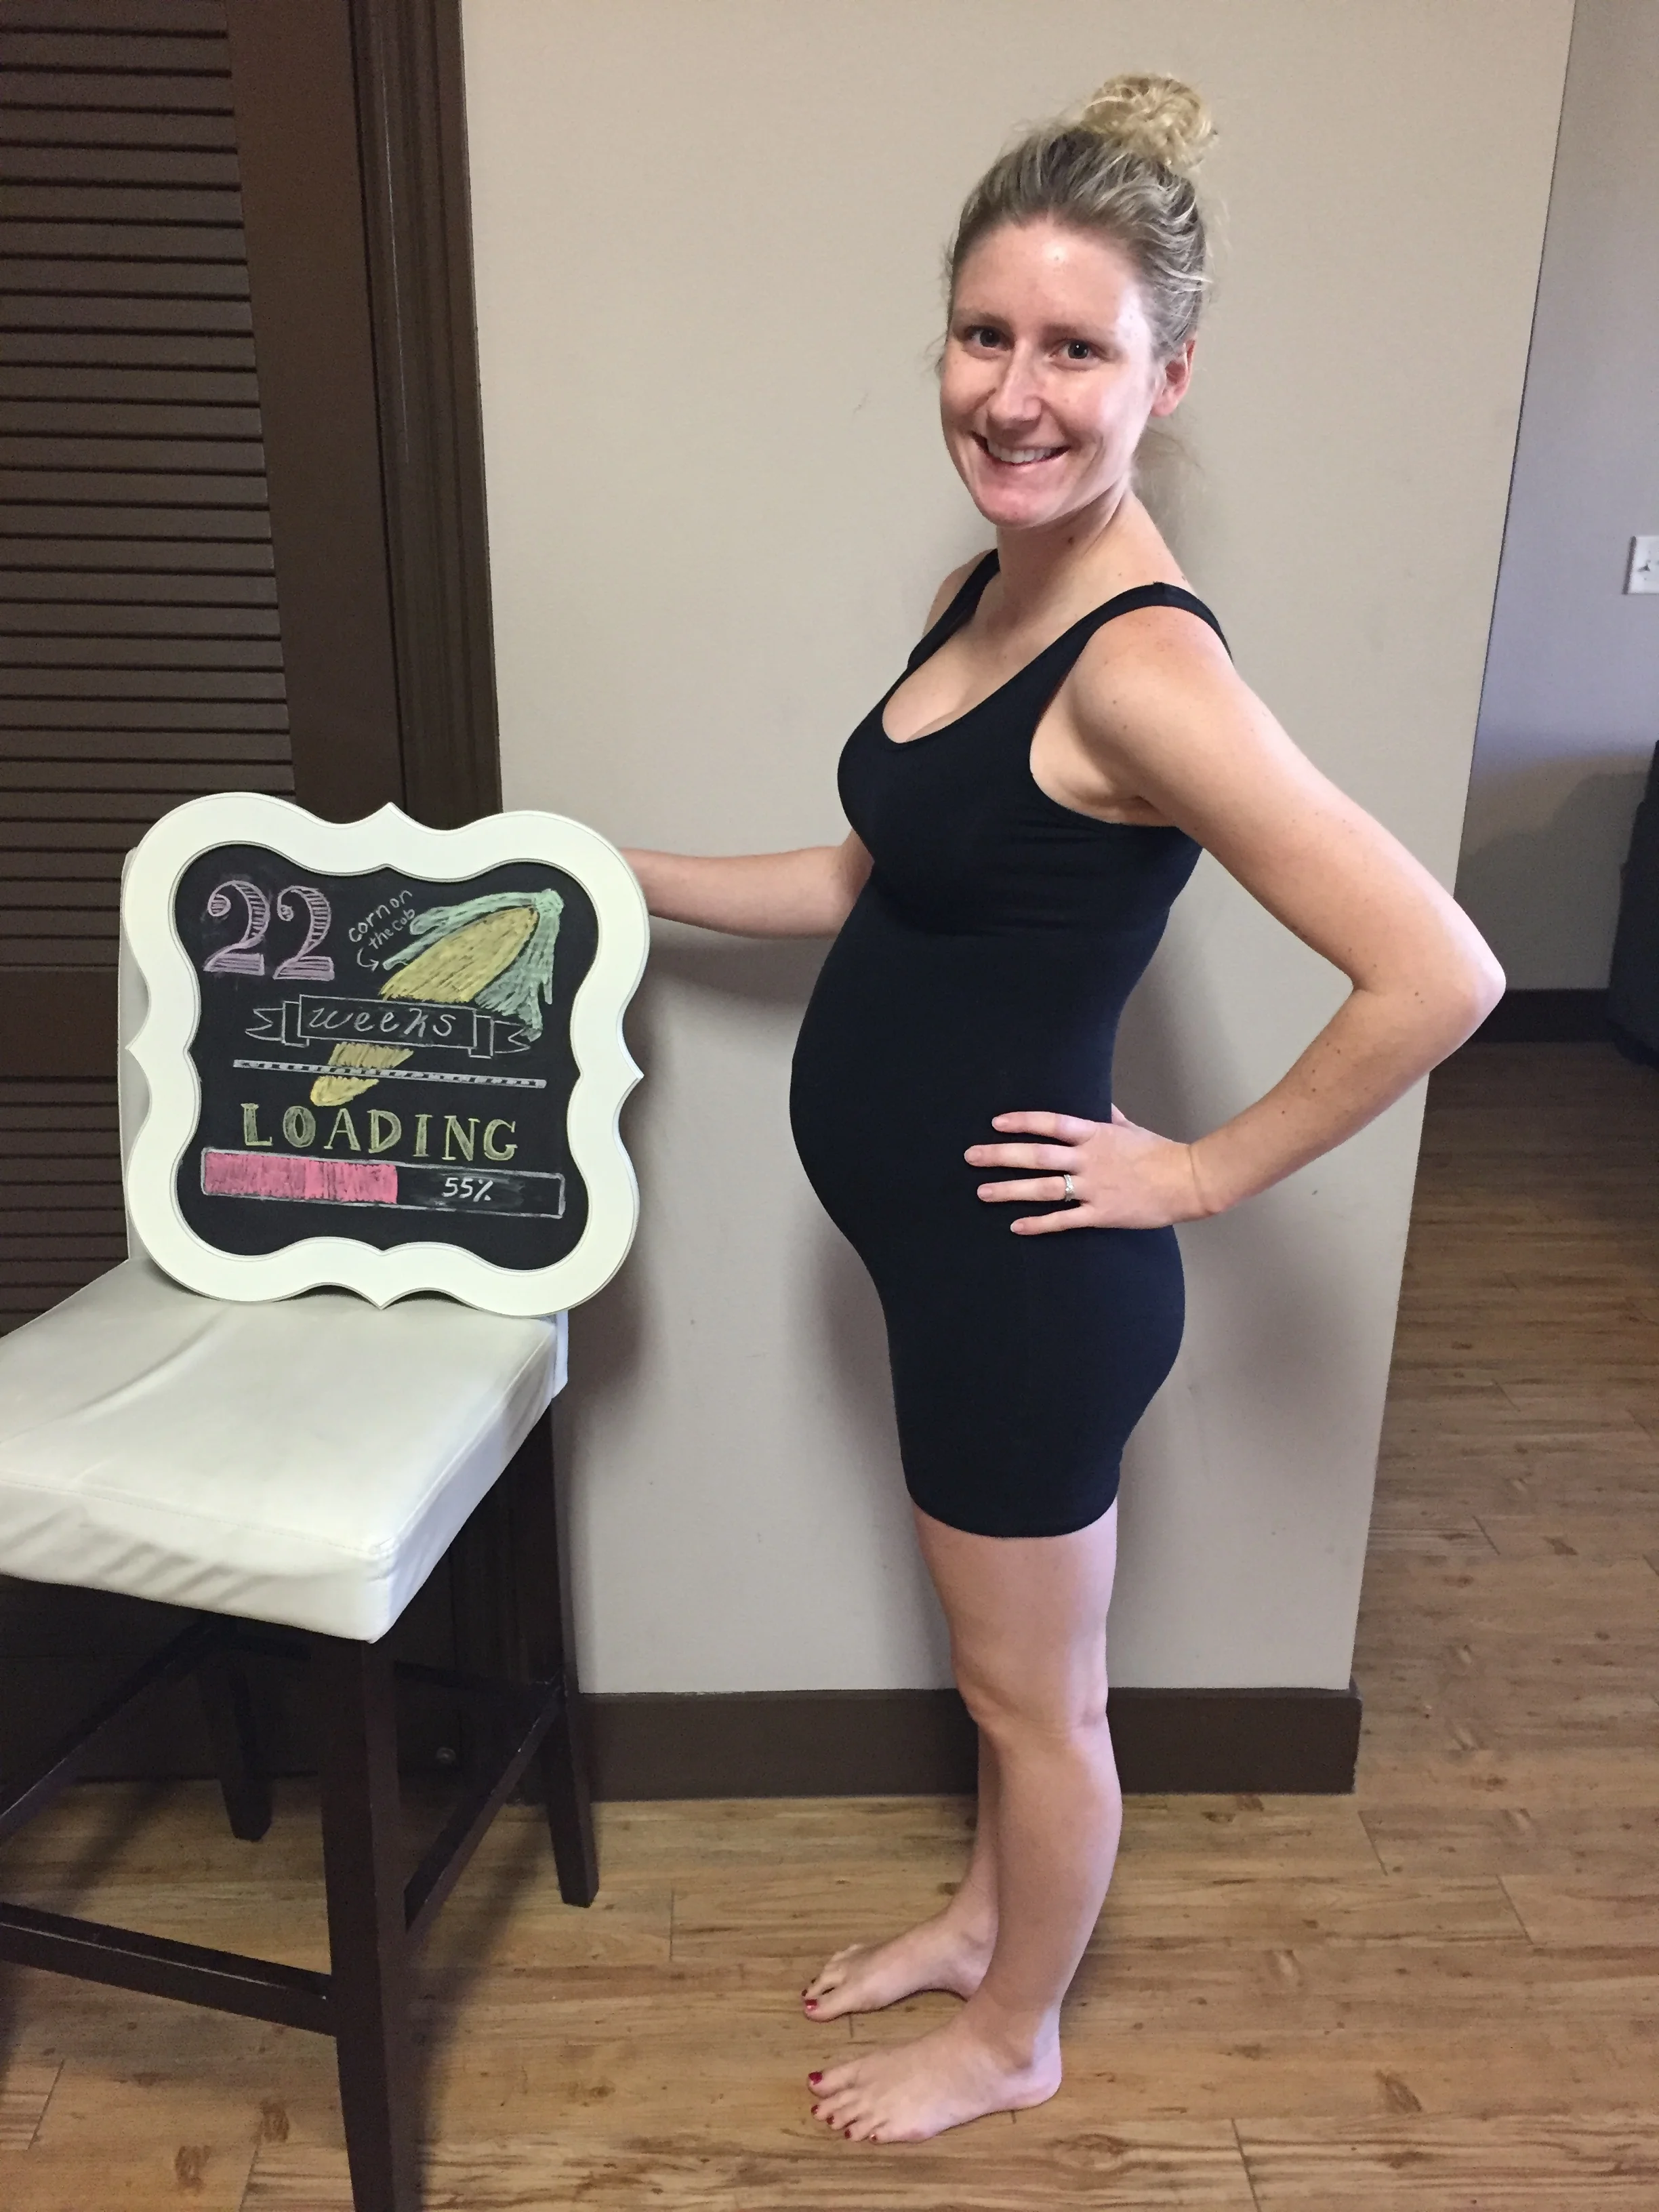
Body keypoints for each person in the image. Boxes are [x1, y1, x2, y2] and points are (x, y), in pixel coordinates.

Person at [621, 70, 1503, 2146]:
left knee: (1041, 1699)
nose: (1015, 395)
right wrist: (612, 868)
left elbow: (1441, 974)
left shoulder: (1140, 671)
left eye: (1077, 352)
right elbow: (871, 880)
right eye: (984, 334)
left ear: (1165, 377)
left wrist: (1196, 1168)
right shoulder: (989, 587)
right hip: (951, 1271)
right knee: (1002, 1680)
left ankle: (1015, 2033)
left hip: (1031, 1289)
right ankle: (981, 1920)